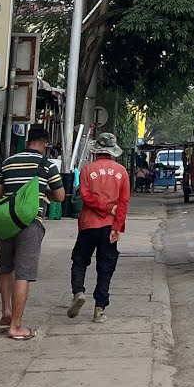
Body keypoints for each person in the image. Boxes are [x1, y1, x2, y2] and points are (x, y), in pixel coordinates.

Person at [0, 127, 65, 340]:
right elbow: (60, 196)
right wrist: (45, 193)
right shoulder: (47, 165)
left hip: (5, 221)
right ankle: (16, 326)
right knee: (23, 274)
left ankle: (5, 312)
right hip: (29, 224)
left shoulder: (7, 162)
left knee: (6, 268)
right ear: (44, 143)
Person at [69, 133, 131, 324]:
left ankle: (78, 291)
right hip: (109, 226)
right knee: (105, 267)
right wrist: (117, 227)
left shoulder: (87, 171)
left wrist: (101, 207)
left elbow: (85, 197)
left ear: (96, 151)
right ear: (113, 151)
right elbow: (123, 202)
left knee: (79, 260)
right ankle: (99, 310)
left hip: (88, 225)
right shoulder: (122, 172)